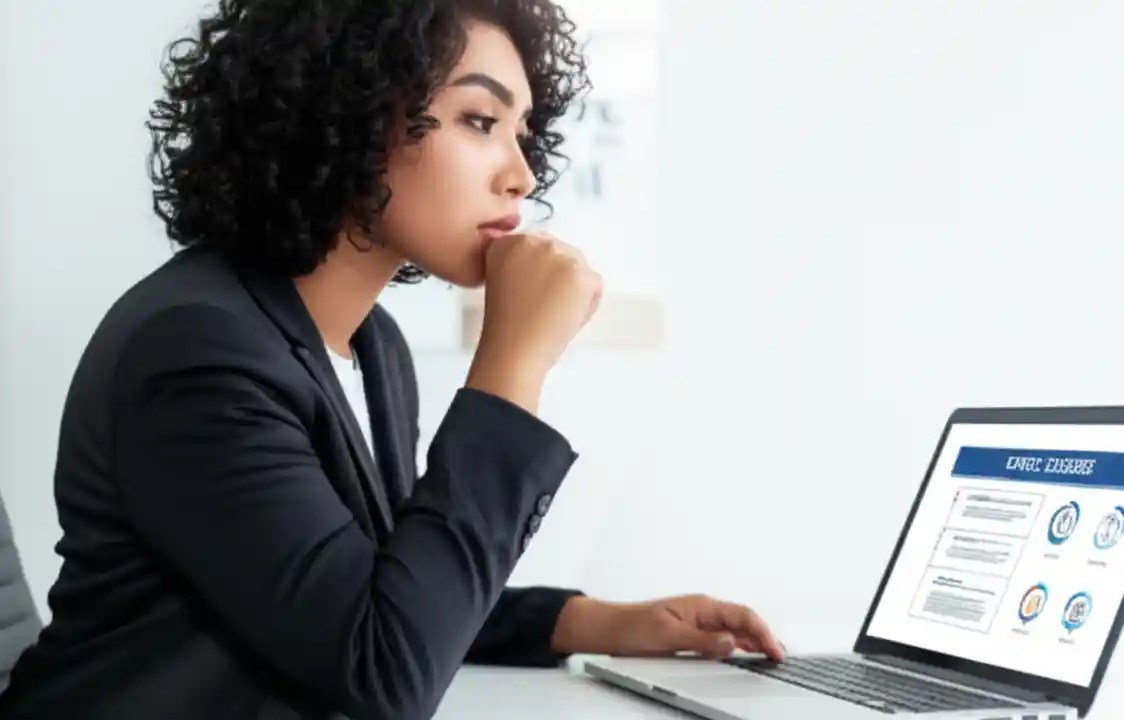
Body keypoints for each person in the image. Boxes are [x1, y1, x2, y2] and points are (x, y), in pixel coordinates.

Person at [0, 1, 784, 718]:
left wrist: (603, 623)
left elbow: (386, 590)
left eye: (521, 130)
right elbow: (384, 669)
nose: (523, 173)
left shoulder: (372, 345)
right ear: (354, 113)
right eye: (480, 120)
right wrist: (512, 362)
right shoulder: (198, 353)